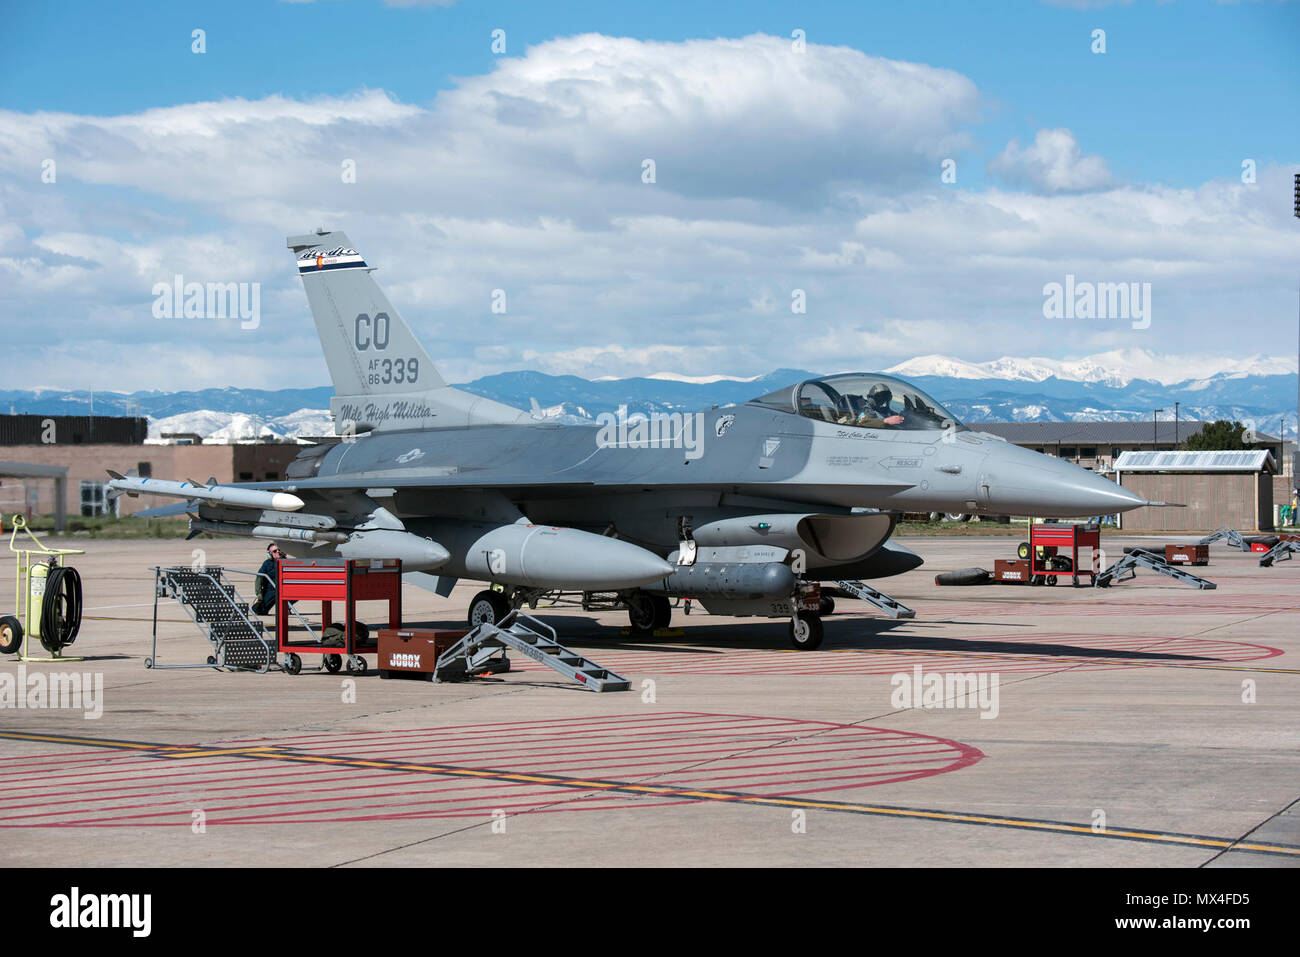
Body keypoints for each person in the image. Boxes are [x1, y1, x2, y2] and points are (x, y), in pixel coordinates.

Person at [252, 543, 283, 616]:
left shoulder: (285, 562)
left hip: (283, 587)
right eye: (275, 551)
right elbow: (259, 578)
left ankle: (286, 607)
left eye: (279, 550)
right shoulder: (267, 564)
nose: (278, 552)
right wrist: (258, 593)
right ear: (270, 554)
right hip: (271, 589)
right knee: (262, 611)